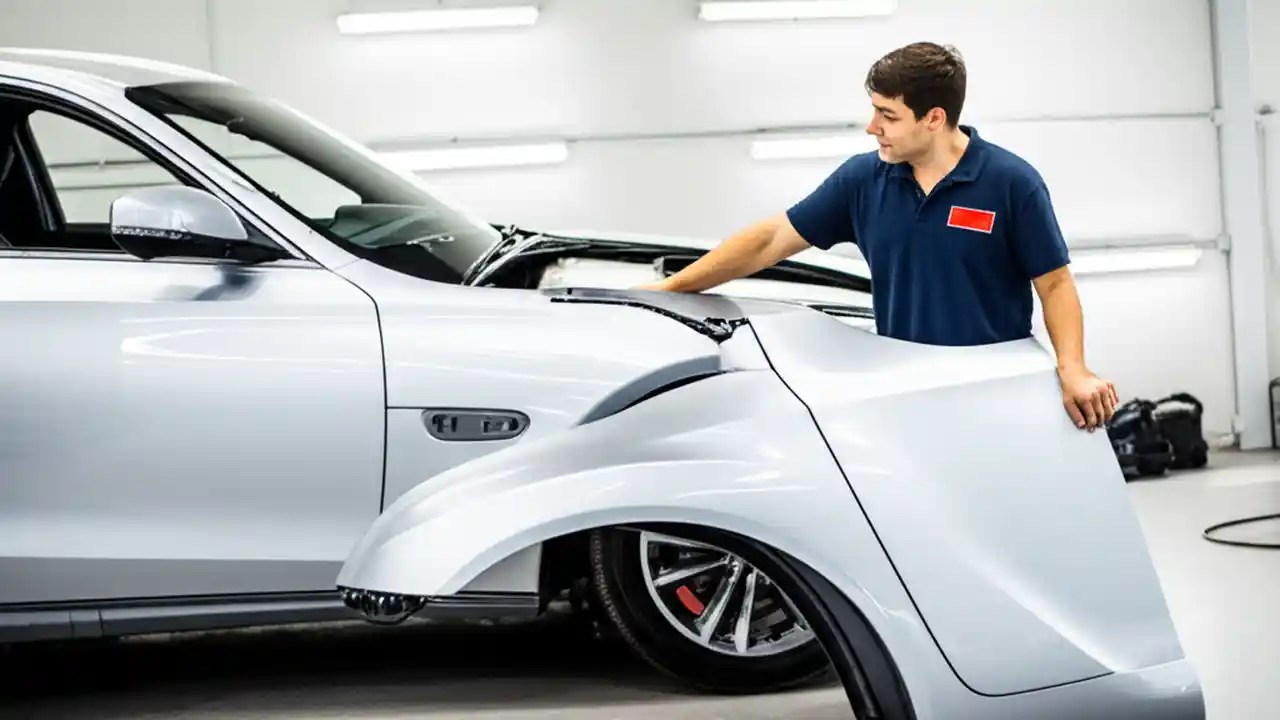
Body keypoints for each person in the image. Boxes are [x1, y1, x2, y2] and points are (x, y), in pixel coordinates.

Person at [638, 42, 1118, 431]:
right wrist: (672, 288)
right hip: (902, 390)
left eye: (888, 115)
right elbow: (771, 240)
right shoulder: (863, 181)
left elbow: (1054, 283)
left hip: (994, 389)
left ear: (933, 118)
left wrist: (1072, 367)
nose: (873, 128)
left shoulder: (1012, 183)